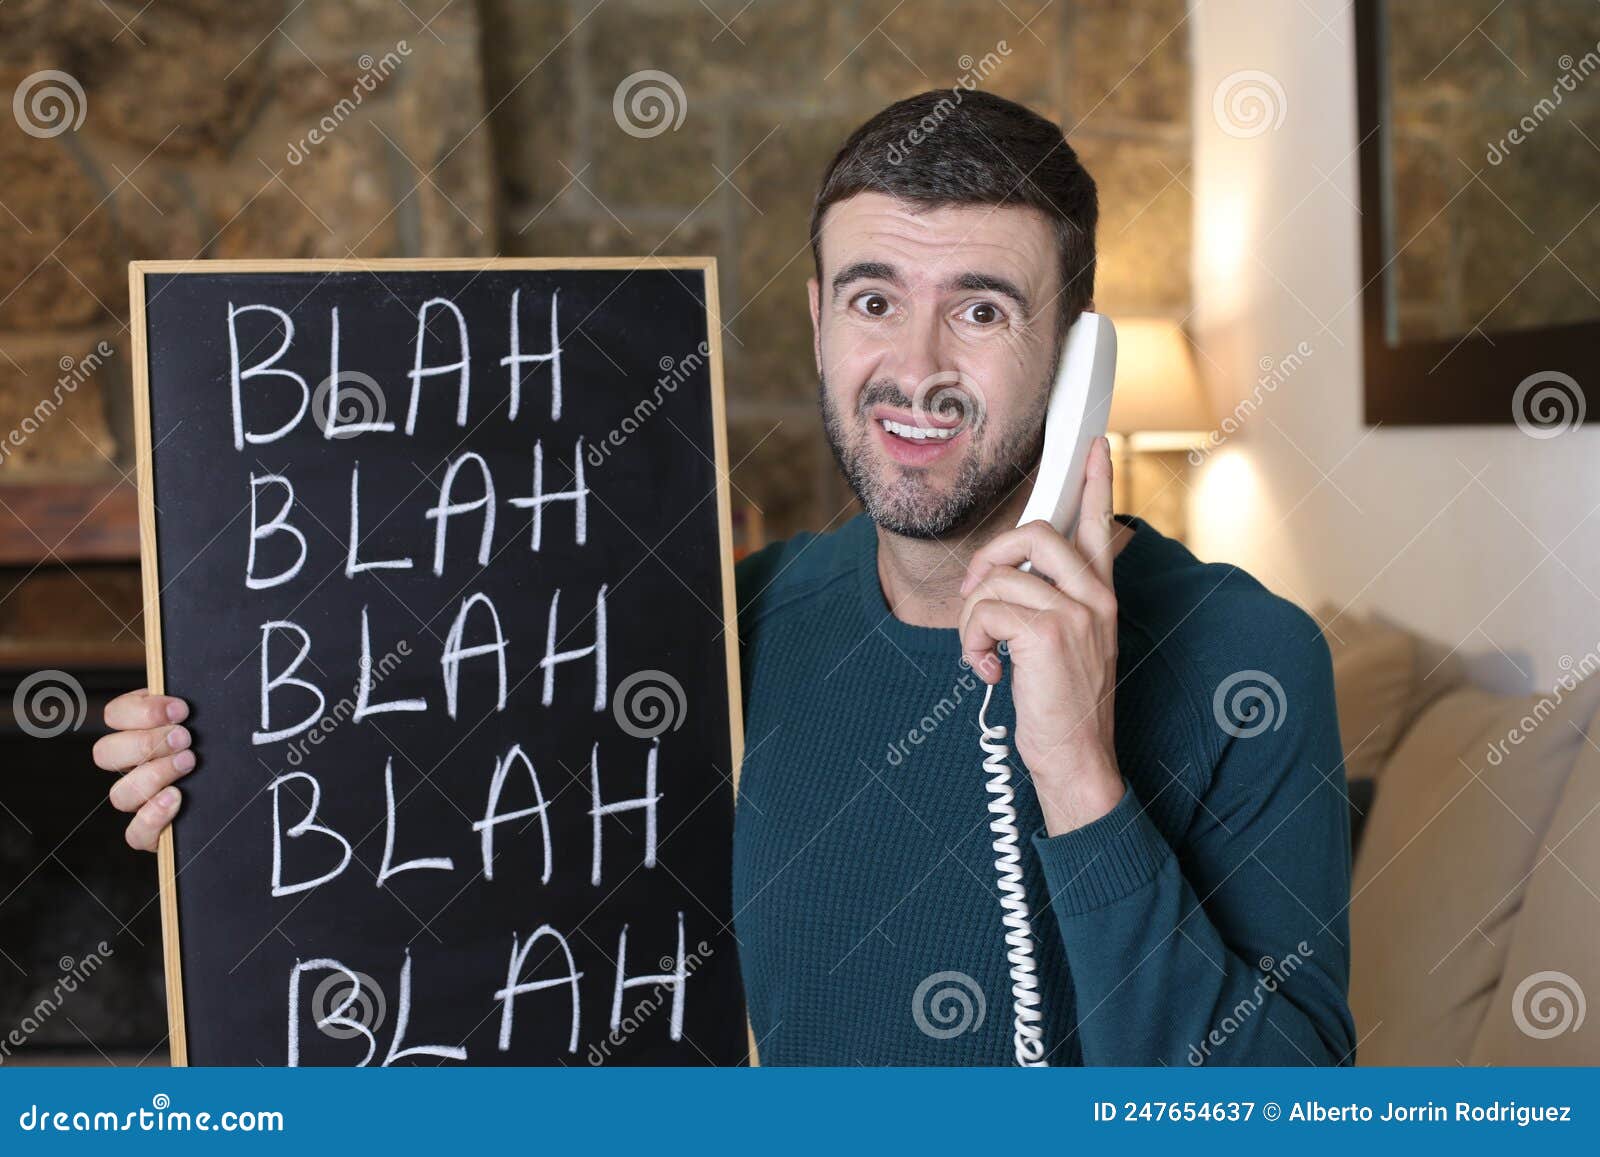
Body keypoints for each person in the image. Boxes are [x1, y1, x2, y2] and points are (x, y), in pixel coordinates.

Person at [94, 89, 1356, 1066]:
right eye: (874, 298)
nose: (912, 366)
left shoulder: (1247, 661)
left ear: (1077, 355)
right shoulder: (718, 621)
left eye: (980, 310)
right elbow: (474, 874)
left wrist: (1079, 772)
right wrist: (236, 772)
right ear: (816, 316)